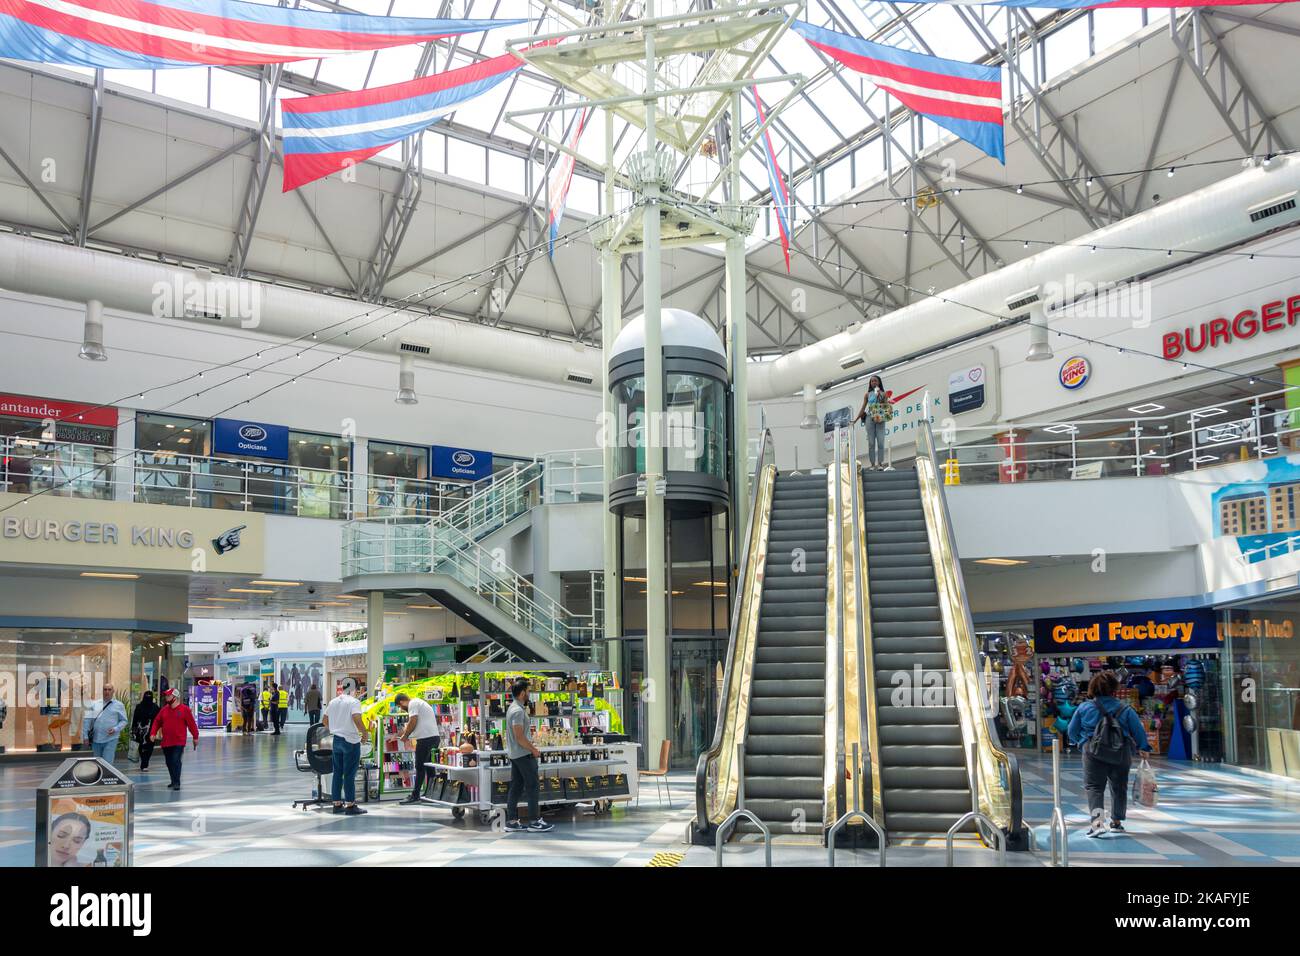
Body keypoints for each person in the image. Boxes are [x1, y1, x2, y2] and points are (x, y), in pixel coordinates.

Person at [1068, 671, 1151, 837]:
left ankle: (1097, 824)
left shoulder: (1084, 707)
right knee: (1119, 787)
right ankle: (1116, 822)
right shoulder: (1125, 709)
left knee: (1094, 788)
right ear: (1114, 689)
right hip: (1121, 753)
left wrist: (1083, 743)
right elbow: (1138, 731)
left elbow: (1072, 731)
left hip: (1092, 753)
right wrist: (1143, 747)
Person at [504, 679, 552, 833]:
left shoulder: (513, 708)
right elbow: (519, 736)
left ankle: (511, 821)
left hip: (515, 754)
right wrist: (533, 750)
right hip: (523, 754)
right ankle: (534, 821)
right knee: (532, 787)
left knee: (516, 787)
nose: (529, 694)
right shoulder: (517, 711)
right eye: (528, 691)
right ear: (523, 692)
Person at [323, 678, 370, 815]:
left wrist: (336, 729)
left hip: (336, 740)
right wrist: (364, 732)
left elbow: (324, 720)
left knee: (337, 772)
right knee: (349, 774)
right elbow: (356, 717)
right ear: (354, 688)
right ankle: (350, 805)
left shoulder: (333, 701)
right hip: (351, 741)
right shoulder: (354, 702)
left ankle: (337, 804)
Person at [149, 687, 199, 791]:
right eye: (166, 695)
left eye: (168, 695)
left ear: (175, 697)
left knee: (176, 760)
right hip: (166, 741)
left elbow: (192, 724)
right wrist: (153, 733)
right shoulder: (164, 710)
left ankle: (177, 782)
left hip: (179, 741)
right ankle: (173, 780)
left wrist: (195, 737)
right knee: (169, 762)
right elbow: (157, 722)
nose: (166, 697)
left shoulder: (184, 710)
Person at [394, 692, 440, 805]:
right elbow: (415, 724)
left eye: (400, 706)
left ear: (401, 702)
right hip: (433, 738)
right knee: (429, 767)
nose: (401, 709)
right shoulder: (419, 703)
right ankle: (431, 793)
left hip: (426, 739)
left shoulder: (413, 703)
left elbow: (413, 721)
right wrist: (401, 734)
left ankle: (415, 795)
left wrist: (405, 736)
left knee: (420, 766)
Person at [82, 682, 127, 763]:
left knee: (107, 763)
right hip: (96, 739)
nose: (107, 692)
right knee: (97, 763)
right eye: (105, 689)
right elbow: (87, 720)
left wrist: (116, 729)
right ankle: (99, 775)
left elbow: (124, 720)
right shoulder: (95, 704)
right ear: (102, 691)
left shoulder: (119, 705)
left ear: (113, 691)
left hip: (111, 738)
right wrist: (85, 736)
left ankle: (107, 776)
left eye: (109, 689)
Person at [854, 374, 892, 471]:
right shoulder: (867, 395)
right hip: (870, 418)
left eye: (875, 381)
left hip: (880, 418)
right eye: (872, 381)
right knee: (871, 442)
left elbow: (886, 406)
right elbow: (863, 408)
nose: (873, 382)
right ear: (870, 383)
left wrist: (879, 395)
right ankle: (872, 464)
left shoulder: (883, 394)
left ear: (879, 382)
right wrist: (855, 420)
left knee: (880, 442)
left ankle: (880, 463)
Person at [130, 691, 160, 771]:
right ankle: (144, 762)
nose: (148, 698)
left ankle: (145, 763)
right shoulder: (139, 707)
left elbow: (159, 719)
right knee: (140, 747)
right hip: (139, 731)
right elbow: (135, 719)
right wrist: (133, 730)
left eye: (149, 696)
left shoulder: (155, 707)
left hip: (151, 731)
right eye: (146, 696)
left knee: (149, 748)